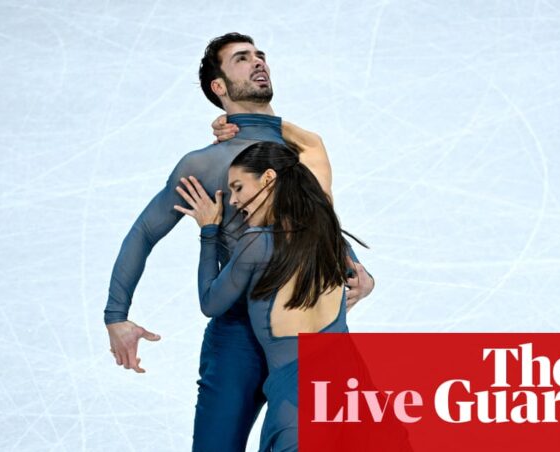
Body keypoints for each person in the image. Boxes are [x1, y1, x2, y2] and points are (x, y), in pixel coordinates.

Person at [102, 33, 375, 451]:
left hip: (306, 334)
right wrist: (116, 315)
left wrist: (355, 267)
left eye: (260, 55)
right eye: (242, 59)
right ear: (219, 86)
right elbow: (144, 231)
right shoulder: (204, 163)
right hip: (236, 340)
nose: (258, 62)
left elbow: (318, 220)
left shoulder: (296, 149)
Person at [174, 141, 352, 452]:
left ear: (268, 178)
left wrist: (209, 231)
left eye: (238, 187)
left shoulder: (256, 242)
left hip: (296, 412)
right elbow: (314, 144)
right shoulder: (330, 233)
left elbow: (210, 302)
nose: (234, 201)